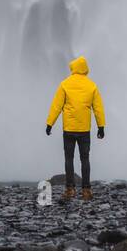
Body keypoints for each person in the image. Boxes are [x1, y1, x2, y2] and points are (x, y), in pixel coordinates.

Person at [45, 55, 106, 200]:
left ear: (73, 68)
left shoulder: (65, 84)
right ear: (85, 69)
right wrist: (101, 126)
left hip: (69, 129)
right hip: (84, 129)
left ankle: (70, 189)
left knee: (69, 159)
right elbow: (98, 108)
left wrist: (49, 124)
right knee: (85, 159)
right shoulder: (92, 85)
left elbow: (56, 106)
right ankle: (86, 191)